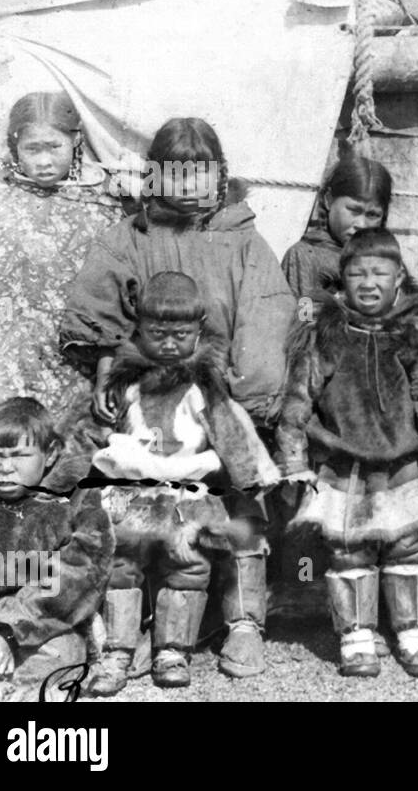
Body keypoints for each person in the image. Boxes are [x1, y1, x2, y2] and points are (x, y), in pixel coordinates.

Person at [61, 117, 295, 679]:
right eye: (176, 173)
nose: (188, 185)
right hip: (153, 394)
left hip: (225, 392)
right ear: (155, 175)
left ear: (220, 176)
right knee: (144, 509)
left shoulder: (243, 239)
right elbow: (100, 310)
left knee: (242, 506)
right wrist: (110, 372)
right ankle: (144, 629)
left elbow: (267, 315)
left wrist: (248, 399)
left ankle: (244, 622)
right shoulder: (130, 237)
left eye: (200, 173)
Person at [276, 228, 418, 678]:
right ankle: (356, 634)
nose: (368, 283)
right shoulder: (326, 334)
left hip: (402, 464)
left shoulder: (414, 334)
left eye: (380, 272)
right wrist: (295, 464)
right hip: (343, 466)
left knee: (407, 544)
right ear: (342, 280)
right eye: (357, 273)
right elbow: (297, 402)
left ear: (399, 278)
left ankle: (412, 629)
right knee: (347, 548)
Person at [82, 273, 279, 694]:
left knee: (188, 565)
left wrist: (247, 480)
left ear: (199, 329)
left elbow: (229, 432)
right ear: (140, 328)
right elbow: (93, 430)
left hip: (187, 493)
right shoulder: (126, 380)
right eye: (158, 333)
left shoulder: (202, 384)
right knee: (122, 564)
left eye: (182, 334)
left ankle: (173, 649)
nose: (169, 343)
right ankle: (118, 649)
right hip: (134, 494)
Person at [0, 92, 123, 435]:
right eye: (33, 149)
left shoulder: (104, 211)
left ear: (76, 141)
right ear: (14, 146)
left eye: (54, 147)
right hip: (3, 371)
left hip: (76, 373)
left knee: (69, 464)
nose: (44, 160)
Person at [0, 398, 113, 702]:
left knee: (57, 663)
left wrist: (9, 631)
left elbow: (75, 577)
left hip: (45, 623)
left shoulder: (75, 502)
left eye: (20, 455)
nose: (5, 467)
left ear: (50, 454)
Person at [282, 153, 392, 308]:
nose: (361, 224)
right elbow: (303, 318)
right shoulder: (305, 257)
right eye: (354, 210)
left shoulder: (387, 257)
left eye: (372, 215)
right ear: (328, 200)